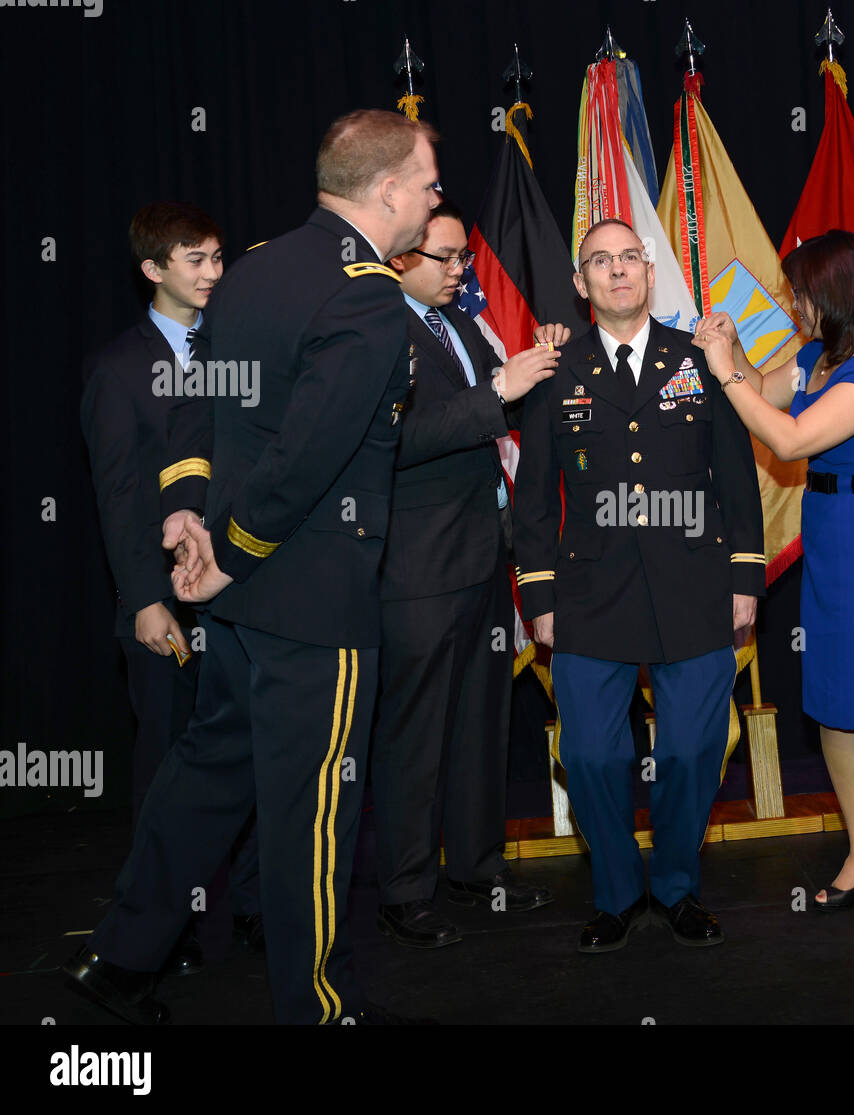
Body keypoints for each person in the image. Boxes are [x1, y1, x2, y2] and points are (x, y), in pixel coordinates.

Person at [63, 108, 439, 1024]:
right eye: (429, 184)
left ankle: (120, 959)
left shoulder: (260, 266)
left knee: (207, 773)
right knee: (312, 815)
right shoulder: (366, 294)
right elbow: (307, 456)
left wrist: (187, 508)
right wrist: (224, 551)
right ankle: (313, 1007)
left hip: (237, 602)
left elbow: (200, 403)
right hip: (307, 601)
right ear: (385, 190)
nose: (435, 199)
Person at [513, 218, 765, 951]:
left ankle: (679, 887)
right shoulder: (552, 372)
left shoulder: (700, 360)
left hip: (696, 586)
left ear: (649, 273)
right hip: (589, 594)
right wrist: (539, 597)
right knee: (591, 755)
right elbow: (531, 499)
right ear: (581, 282)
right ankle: (618, 893)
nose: (618, 270)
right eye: (602, 261)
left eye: (630, 258)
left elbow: (737, 478)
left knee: (693, 751)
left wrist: (744, 576)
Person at [693, 229, 854, 919]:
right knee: (833, 700)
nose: (790, 302)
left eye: (798, 291)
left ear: (832, 292)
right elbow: (762, 388)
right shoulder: (815, 357)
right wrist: (730, 347)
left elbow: (789, 437)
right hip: (830, 531)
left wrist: (727, 370)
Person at [369, 201, 562, 948]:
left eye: (462, 259)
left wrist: (537, 367)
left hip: (483, 557)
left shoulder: (458, 324)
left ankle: (478, 873)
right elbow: (395, 438)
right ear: (399, 261)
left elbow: (500, 416)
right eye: (445, 258)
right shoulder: (380, 329)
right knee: (416, 735)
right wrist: (498, 393)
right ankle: (405, 890)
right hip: (417, 570)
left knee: (482, 724)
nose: (461, 271)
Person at [80, 202, 260, 973]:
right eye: (195, 260)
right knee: (168, 770)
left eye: (219, 258)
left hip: (247, 600)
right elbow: (119, 497)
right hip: (166, 607)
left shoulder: (245, 351)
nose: (213, 273)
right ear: (153, 270)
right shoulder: (118, 368)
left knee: (246, 758)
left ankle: (251, 909)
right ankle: (167, 933)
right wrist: (145, 600)